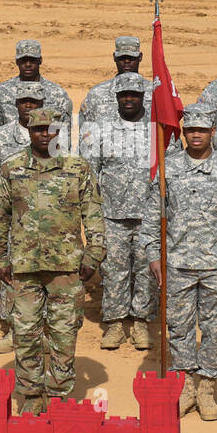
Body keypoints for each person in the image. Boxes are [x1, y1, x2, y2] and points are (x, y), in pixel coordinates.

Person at [140, 103, 217, 421]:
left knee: (215, 328)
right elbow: (152, 216)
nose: (195, 136)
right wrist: (153, 254)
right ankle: (186, 386)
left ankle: (206, 388)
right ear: (184, 132)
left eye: (202, 130)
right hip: (177, 264)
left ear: (212, 132)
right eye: (190, 130)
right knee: (179, 330)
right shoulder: (168, 168)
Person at [0, 108, 106, 415]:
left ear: (59, 132)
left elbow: (93, 213)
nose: (45, 134)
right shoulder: (11, 168)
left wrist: (94, 255)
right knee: (25, 333)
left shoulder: (77, 167)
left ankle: (57, 395)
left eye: (51, 129)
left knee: (63, 335)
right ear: (29, 130)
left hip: (67, 268)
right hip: (23, 269)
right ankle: (30, 395)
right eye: (38, 129)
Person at [80, 72, 154, 351]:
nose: (129, 100)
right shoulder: (100, 129)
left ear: (143, 97)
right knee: (114, 270)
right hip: (111, 213)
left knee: (146, 270)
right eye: (124, 95)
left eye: (134, 95)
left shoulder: (158, 130)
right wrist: (92, 212)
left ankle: (141, 322)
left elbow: (170, 170)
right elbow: (90, 173)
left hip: (148, 213)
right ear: (117, 98)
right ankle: (114, 323)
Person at [0, 82, 45, 354]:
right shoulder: (2, 137)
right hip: (12, 221)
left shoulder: (53, 137)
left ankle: (43, 332)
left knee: (44, 276)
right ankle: (13, 331)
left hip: (45, 222)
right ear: (16, 104)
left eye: (34, 102)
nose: (28, 106)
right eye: (24, 101)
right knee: (10, 276)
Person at [0, 40, 73, 151]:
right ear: (16, 61)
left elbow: (64, 139)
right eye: (23, 60)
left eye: (32, 60)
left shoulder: (58, 95)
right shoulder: (1, 93)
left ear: (40, 60)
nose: (28, 64)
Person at [77, 35, 151, 134]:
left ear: (140, 57)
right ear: (114, 57)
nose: (127, 61)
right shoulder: (97, 93)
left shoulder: (155, 92)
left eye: (131, 57)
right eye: (122, 58)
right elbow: (85, 131)